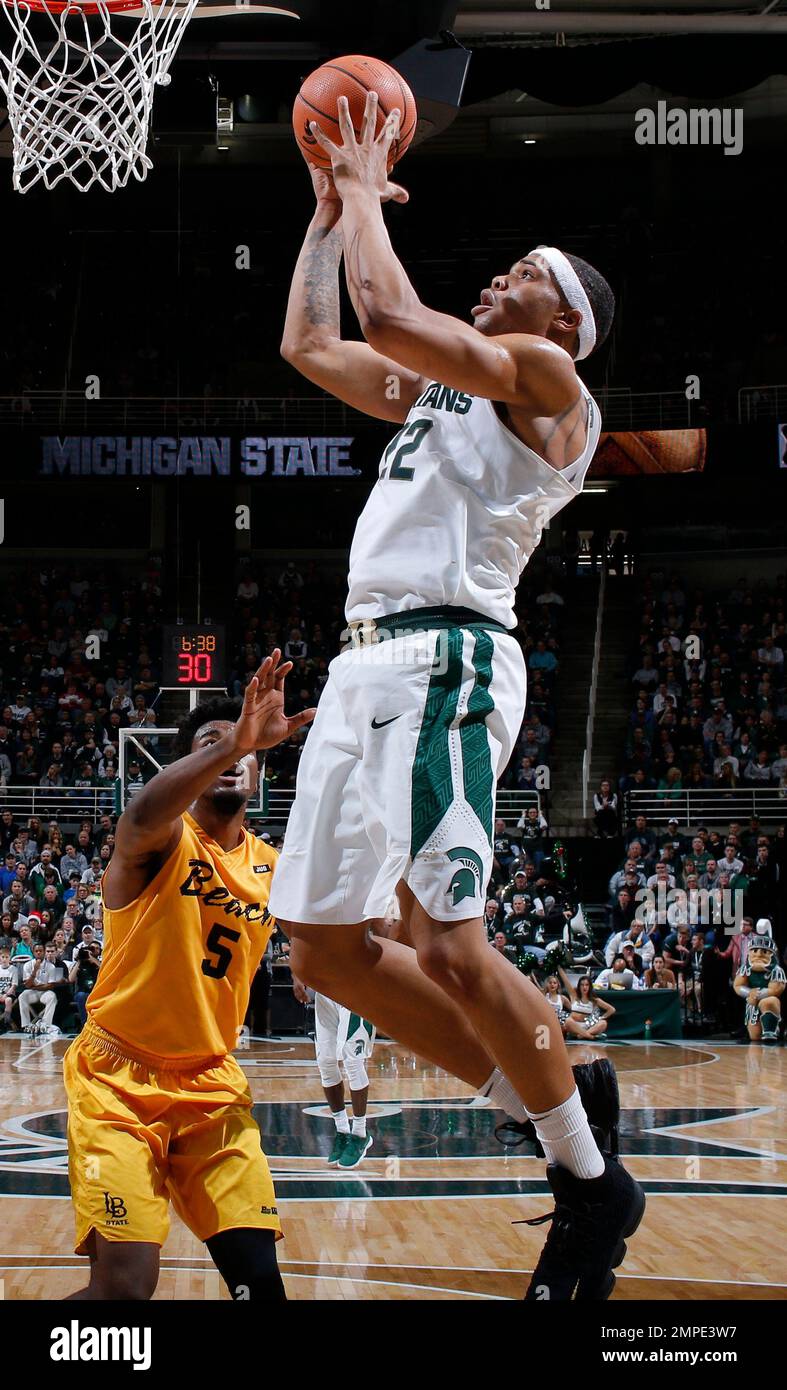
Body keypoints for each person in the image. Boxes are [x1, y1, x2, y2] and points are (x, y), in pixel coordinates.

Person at [271, 91, 643, 1303]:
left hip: (446, 656)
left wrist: (371, 187)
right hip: (360, 661)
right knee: (325, 949)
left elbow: (390, 309)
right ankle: (557, 1114)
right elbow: (317, 346)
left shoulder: (545, 384)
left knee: (444, 940)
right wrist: (329, 216)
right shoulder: (443, 394)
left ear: (566, 320)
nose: (501, 276)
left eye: (527, 272)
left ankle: (592, 1191)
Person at [63, 653, 314, 1302]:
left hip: (209, 1084)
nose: (231, 755)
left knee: (260, 1281)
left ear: (259, 774)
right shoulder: (157, 842)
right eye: (210, 745)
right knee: (123, 1292)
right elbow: (142, 815)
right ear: (189, 769)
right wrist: (231, 739)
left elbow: (332, 940)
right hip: (117, 1080)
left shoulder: (273, 866)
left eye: (244, 751)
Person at [294, 979, 376, 1170]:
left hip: (357, 987)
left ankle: (360, 1134)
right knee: (325, 1062)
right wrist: (297, 976)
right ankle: (342, 1130)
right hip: (326, 988)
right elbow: (304, 946)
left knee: (352, 1062)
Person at [733, 928, 785, 1045]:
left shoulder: (776, 970)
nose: (759, 954)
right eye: (755, 950)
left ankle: (772, 1029)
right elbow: (737, 985)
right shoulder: (745, 969)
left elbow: (776, 989)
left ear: (772, 954)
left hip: (767, 999)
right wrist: (749, 993)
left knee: (769, 1001)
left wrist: (756, 994)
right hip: (752, 1003)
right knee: (755, 1037)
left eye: (764, 951)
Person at [560, 969, 615, 1040]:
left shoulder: (595, 1000)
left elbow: (611, 1009)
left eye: (586, 985)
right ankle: (590, 1036)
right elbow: (565, 980)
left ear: (589, 987)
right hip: (574, 1025)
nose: (584, 987)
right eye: (582, 985)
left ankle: (582, 1035)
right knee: (568, 1021)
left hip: (587, 1026)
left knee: (603, 1023)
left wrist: (601, 1018)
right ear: (579, 986)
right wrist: (559, 967)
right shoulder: (574, 996)